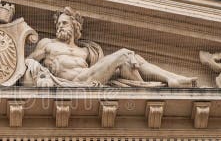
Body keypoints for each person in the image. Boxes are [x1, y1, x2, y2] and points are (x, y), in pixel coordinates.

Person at [25, 7, 196, 87]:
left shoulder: (86, 51)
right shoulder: (48, 44)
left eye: (64, 23)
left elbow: (103, 69)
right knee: (123, 55)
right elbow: (28, 62)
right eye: (58, 24)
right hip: (75, 82)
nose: (60, 27)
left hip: (89, 79)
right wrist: (42, 72)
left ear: (75, 26)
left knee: (131, 59)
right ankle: (153, 88)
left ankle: (169, 79)